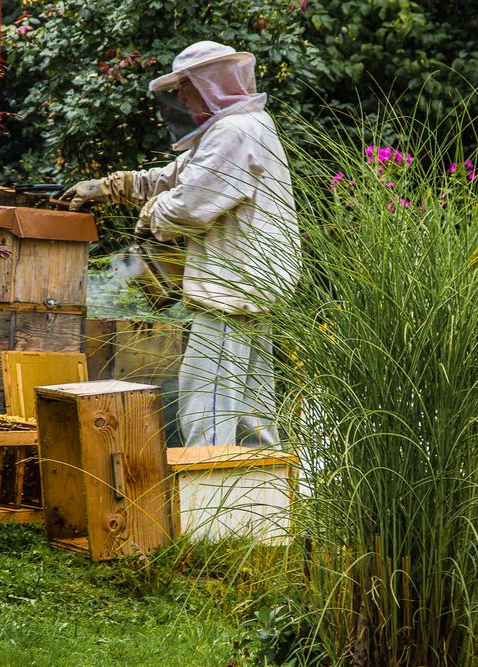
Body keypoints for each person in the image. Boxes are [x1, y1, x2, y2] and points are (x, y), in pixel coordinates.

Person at [64, 41, 301, 448]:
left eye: (186, 88)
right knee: (250, 411)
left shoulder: (234, 133)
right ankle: (262, 504)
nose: (183, 99)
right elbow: (178, 177)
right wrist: (110, 186)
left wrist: (149, 216)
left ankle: (209, 504)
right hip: (249, 289)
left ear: (208, 84)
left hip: (232, 288)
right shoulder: (243, 127)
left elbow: (189, 206)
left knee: (206, 403)